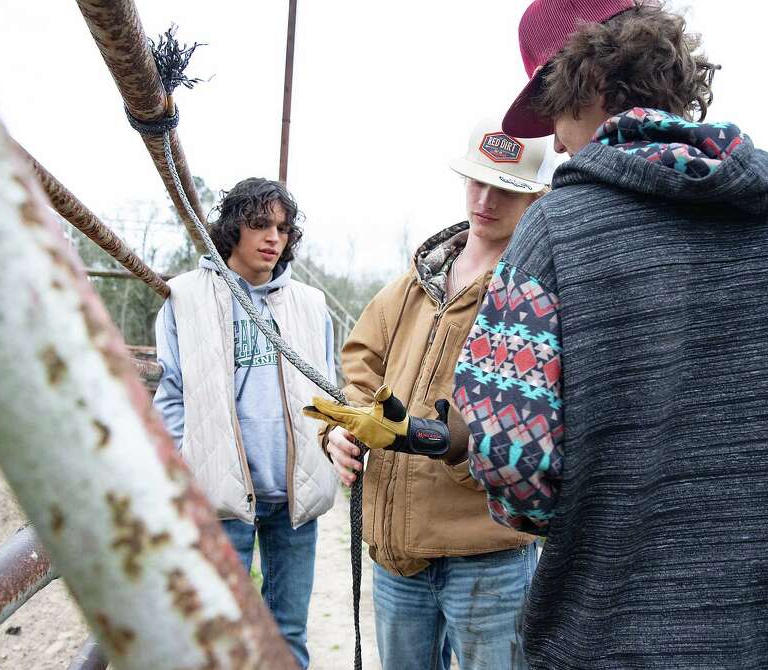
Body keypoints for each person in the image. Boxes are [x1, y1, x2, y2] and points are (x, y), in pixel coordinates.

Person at [453, 1, 768, 668]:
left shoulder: (554, 235)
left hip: (608, 638)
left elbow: (511, 463)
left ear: (590, 82)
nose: (556, 143)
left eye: (552, 110)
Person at [307, 120, 553, 670]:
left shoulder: (533, 291)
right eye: (476, 182)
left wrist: (462, 451)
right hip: (399, 556)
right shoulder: (416, 280)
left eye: (505, 188)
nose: (485, 200)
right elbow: (360, 365)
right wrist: (341, 431)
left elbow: (536, 424)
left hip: (487, 555)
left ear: (535, 195)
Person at [152, 177, 338, 669]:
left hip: (293, 498)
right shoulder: (184, 298)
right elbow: (171, 395)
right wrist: (181, 474)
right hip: (220, 498)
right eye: (260, 225)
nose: (273, 237)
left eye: (282, 227)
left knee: (289, 632)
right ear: (233, 229)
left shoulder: (311, 305)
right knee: (223, 639)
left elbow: (329, 394)